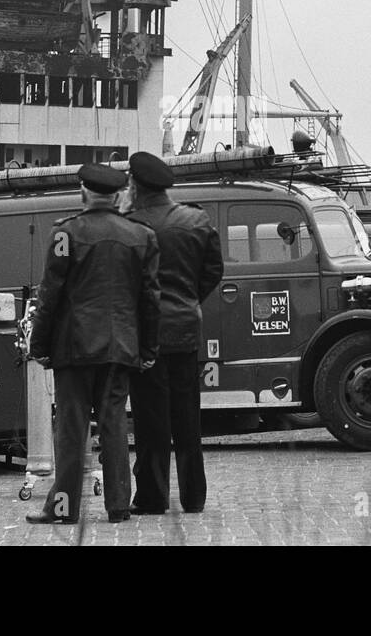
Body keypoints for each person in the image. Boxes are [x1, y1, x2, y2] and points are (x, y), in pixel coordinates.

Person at [26, 163, 161, 524]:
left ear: (84, 192)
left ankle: (64, 508)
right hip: (120, 348)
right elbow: (150, 299)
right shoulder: (142, 235)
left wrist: (38, 344)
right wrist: (148, 349)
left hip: (74, 347)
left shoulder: (66, 233)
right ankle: (118, 505)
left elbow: (49, 295)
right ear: (117, 196)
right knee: (114, 424)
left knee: (71, 430)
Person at [124, 151, 224, 515]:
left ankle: (152, 497)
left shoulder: (130, 225)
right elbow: (214, 270)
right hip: (184, 330)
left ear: (135, 185)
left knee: (151, 422)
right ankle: (194, 496)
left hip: (145, 335)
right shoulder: (196, 220)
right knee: (187, 418)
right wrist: (188, 299)